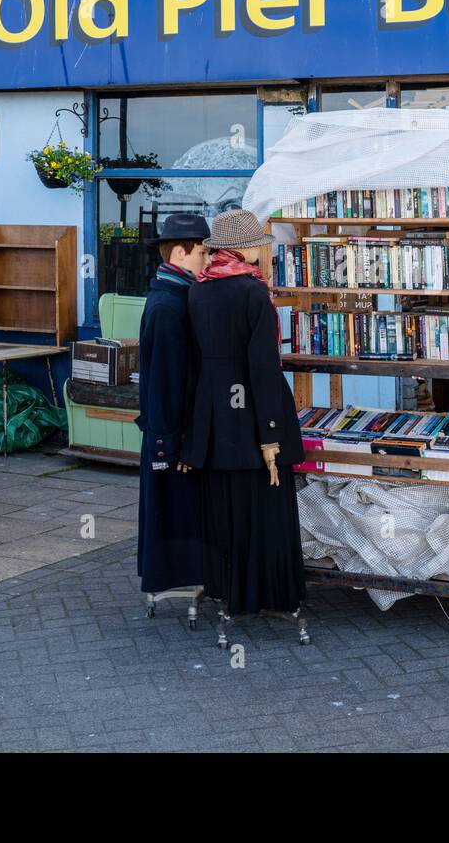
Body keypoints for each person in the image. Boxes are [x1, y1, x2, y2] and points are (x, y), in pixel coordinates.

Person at [181, 209, 306, 621]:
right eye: (257, 244)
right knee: (264, 509)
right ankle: (265, 594)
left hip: (216, 418)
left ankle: (228, 591)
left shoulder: (199, 288)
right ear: (244, 247)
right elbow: (263, 368)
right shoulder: (252, 292)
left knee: (226, 509)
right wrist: (271, 434)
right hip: (253, 416)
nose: (260, 251)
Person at [134, 213, 210, 596]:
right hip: (169, 428)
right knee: (171, 507)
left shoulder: (177, 294)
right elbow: (163, 378)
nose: (207, 260)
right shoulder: (168, 304)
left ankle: (181, 574)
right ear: (180, 252)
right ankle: (173, 577)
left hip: (173, 427)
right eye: (201, 252)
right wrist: (167, 442)